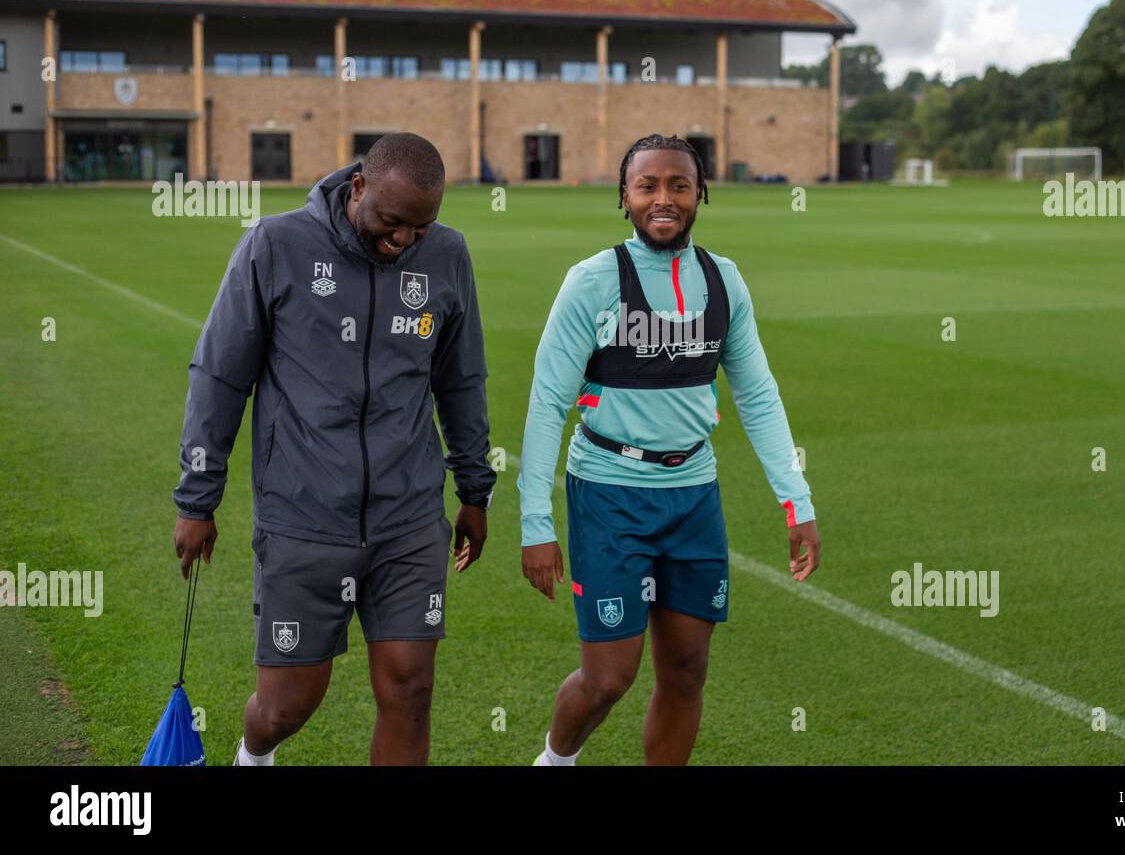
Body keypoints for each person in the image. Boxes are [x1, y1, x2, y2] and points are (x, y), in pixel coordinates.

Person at [170, 133, 495, 766]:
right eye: (391, 221)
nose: (402, 239)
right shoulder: (276, 245)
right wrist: (197, 499)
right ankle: (253, 755)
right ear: (358, 188)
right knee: (286, 706)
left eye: (419, 227)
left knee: (410, 687)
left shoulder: (448, 255)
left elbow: (460, 381)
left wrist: (474, 490)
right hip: (304, 515)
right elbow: (220, 376)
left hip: (408, 518)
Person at [518, 133, 821, 765]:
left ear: (700, 194)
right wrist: (535, 524)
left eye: (679, 185)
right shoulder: (592, 281)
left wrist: (798, 503)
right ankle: (554, 760)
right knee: (608, 678)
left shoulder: (723, 279)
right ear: (623, 197)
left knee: (686, 671)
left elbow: (758, 395)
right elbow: (547, 403)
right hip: (608, 492)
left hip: (692, 496)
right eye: (647, 186)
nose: (664, 199)